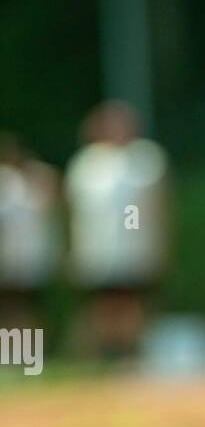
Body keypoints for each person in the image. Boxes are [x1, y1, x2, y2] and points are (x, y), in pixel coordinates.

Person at [65, 101, 170, 359]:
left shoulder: (146, 159)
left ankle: (132, 355)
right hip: (97, 251)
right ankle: (97, 357)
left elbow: (160, 208)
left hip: (135, 250)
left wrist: (162, 247)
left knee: (134, 305)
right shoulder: (86, 165)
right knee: (100, 307)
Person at [0, 133, 61, 332]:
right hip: (9, 257)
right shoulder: (6, 181)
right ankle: (13, 348)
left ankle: (29, 349)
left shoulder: (37, 178)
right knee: (11, 305)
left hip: (31, 257)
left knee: (28, 305)